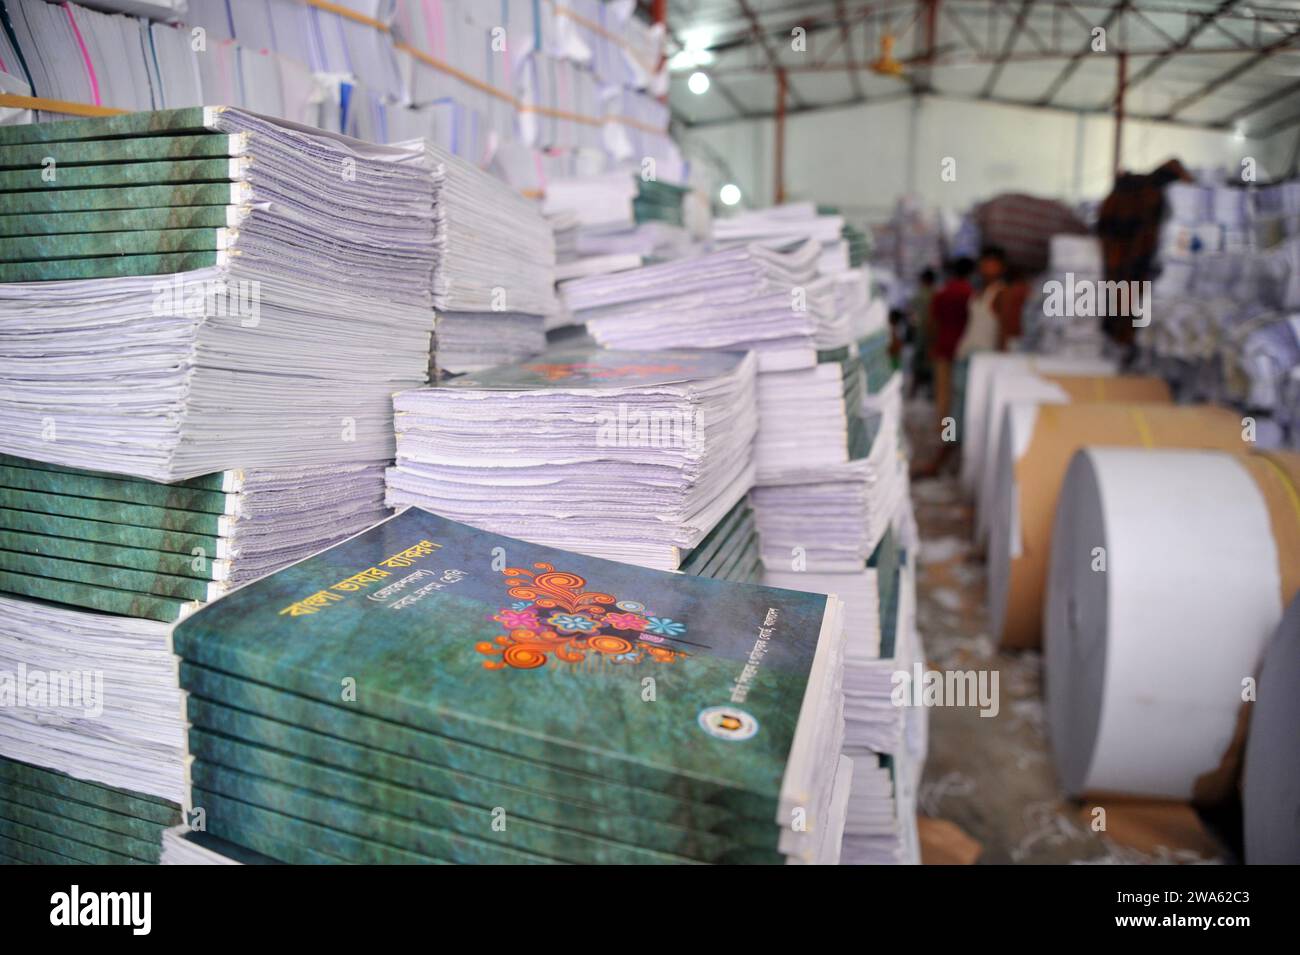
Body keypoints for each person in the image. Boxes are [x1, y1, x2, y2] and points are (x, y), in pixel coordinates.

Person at [913, 257, 975, 476]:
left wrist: (932, 345)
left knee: (945, 403)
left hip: (943, 350)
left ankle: (947, 441)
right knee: (957, 403)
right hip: (962, 354)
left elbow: (932, 323)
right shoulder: (970, 294)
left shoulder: (942, 294)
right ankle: (952, 445)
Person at [909, 267, 937, 397]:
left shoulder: (918, 295)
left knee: (918, 365)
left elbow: (912, 316)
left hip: (920, 335)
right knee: (931, 365)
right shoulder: (936, 294)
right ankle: (931, 394)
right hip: (933, 335)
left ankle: (913, 392)